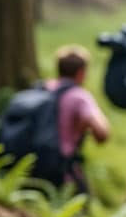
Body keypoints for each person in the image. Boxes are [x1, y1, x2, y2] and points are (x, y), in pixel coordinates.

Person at [47, 45, 110, 194]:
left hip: (35, 160)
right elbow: (102, 133)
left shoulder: (44, 88)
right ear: (81, 73)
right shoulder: (79, 96)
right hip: (63, 167)